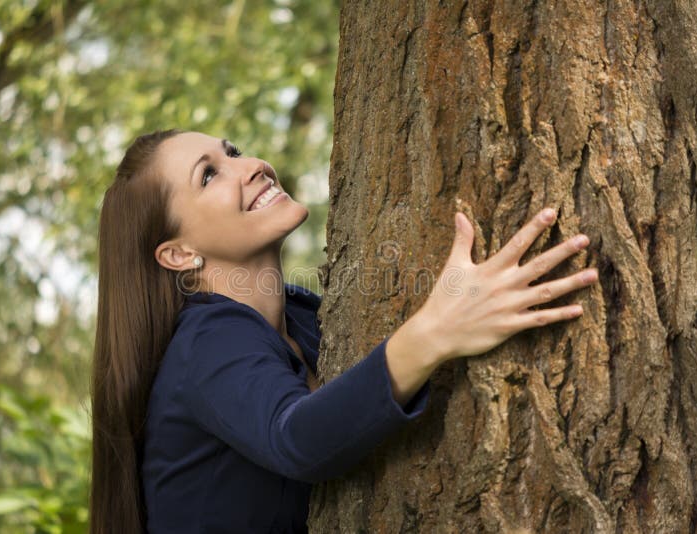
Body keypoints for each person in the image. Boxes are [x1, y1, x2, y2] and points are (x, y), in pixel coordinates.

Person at [89, 129, 598, 533]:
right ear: (178, 254)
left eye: (235, 152)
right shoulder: (203, 344)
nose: (252, 167)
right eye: (209, 176)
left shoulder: (305, 318)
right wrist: (438, 330)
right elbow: (297, 438)